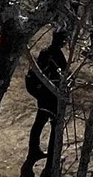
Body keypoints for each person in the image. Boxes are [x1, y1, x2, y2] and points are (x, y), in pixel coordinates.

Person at [24, 29, 69, 172]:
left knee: (39, 122)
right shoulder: (57, 55)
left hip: (42, 94)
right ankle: (51, 162)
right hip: (52, 96)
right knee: (55, 128)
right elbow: (65, 75)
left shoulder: (45, 52)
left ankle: (34, 150)